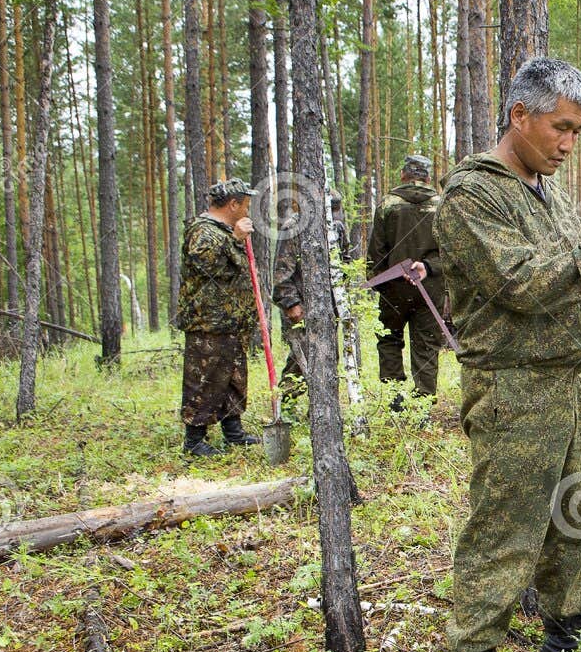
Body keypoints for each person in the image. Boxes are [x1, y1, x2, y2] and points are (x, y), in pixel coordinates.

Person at [434, 57, 581, 652]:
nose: (567, 143)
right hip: (511, 386)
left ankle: (564, 628)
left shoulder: (541, 197)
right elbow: (521, 281)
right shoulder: (473, 195)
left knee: (576, 514)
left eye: (578, 132)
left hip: (562, 384)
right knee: (504, 526)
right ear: (519, 116)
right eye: (560, 127)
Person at [175, 178, 263, 458]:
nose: (248, 209)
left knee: (233, 377)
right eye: (245, 203)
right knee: (205, 378)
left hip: (231, 322)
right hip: (208, 323)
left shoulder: (223, 231)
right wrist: (236, 240)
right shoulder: (203, 231)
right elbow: (207, 265)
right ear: (233, 204)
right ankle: (194, 439)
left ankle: (233, 432)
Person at [367, 154, 446, 406]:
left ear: (403, 174)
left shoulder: (387, 205)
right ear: (427, 176)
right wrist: (432, 268)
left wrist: (381, 284)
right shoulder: (441, 205)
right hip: (430, 287)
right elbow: (452, 252)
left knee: (390, 340)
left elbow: (376, 253)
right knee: (426, 345)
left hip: (393, 288)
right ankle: (422, 406)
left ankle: (395, 403)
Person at [271, 188, 352, 410]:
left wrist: (343, 298)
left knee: (328, 356)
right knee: (302, 357)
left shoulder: (337, 229)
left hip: (329, 306)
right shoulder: (294, 228)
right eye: (330, 209)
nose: (335, 215)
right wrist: (291, 303)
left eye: (336, 209)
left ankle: (322, 409)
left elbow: (344, 264)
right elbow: (281, 273)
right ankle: (286, 405)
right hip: (301, 305)